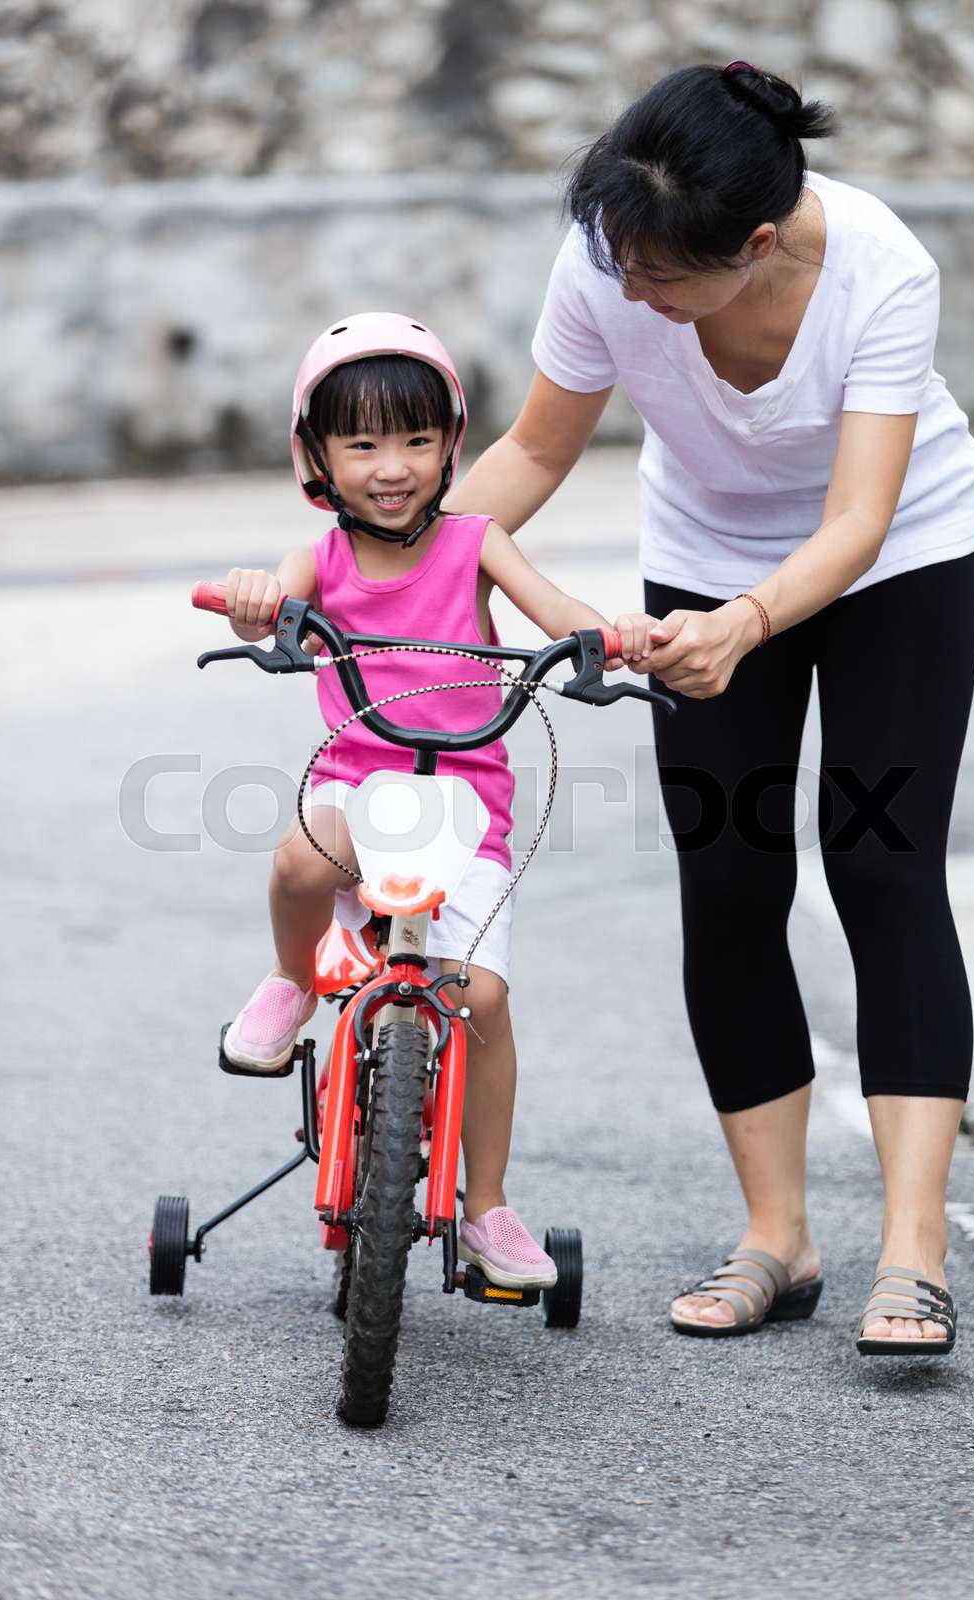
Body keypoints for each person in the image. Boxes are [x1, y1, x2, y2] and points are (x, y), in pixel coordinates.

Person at [446, 63, 974, 1354]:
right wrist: (387, 558)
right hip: (698, 557)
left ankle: (911, 1251)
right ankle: (775, 1238)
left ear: (752, 245)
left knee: (879, 867)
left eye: (659, 282)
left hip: (891, 561)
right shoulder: (606, 257)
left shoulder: (878, 268)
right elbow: (536, 448)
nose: (629, 296)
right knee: (729, 882)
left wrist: (746, 624)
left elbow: (857, 516)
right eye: (617, 266)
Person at [219, 312, 655, 1291]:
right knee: (298, 857)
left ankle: (487, 1201)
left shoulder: (473, 542)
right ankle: (292, 983)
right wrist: (259, 603)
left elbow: (554, 610)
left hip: (467, 799)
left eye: (415, 439)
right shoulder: (322, 560)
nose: (391, 465)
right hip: (356, 783)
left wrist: (607, 639)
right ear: (317, 457)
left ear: (451, 446)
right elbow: (274, 600)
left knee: (482, 997)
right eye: (362, 442)